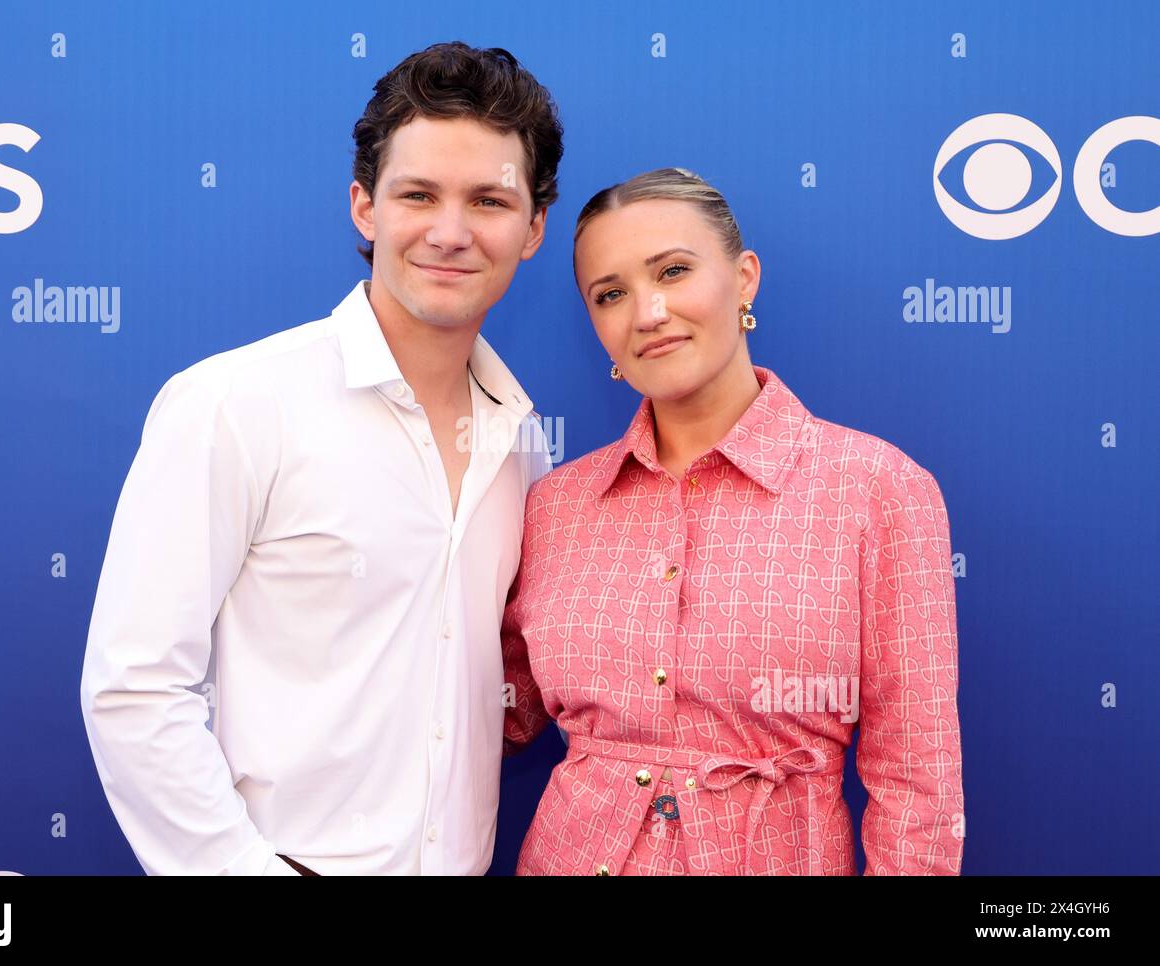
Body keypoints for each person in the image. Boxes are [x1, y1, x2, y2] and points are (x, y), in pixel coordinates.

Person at [80, 41, 562, 875]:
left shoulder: (525, 443)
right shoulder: (235, 403)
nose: (451, 232)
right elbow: (134, 691)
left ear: (533, 229)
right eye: (419, 195)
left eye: (488, 199)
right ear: (365, 209)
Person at [501, 167, 964, 875]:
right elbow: (498, 715)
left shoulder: (877, 490)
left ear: (744, 278)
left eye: (674, 271)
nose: (647, 312)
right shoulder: (554, 505)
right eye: (611, 294)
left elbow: (917, 781)